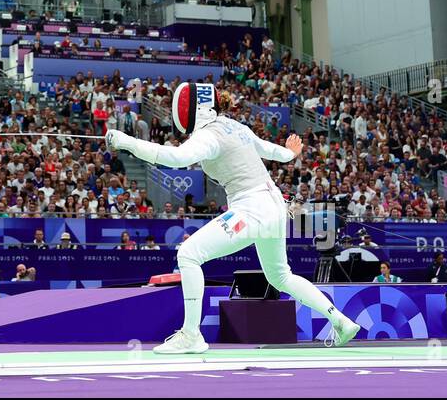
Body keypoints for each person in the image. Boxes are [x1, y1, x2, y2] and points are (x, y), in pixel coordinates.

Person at [105, 82, 359, 355]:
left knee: (189, 255)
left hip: (252, 210)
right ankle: (341, 320)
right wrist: (292, 154)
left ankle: (191, 334)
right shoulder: (235, 126)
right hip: (273, 208)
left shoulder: (208, 136)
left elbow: (175, 158)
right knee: (280, 276)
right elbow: (273, 152)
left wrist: (126, 142)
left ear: (189, 110)